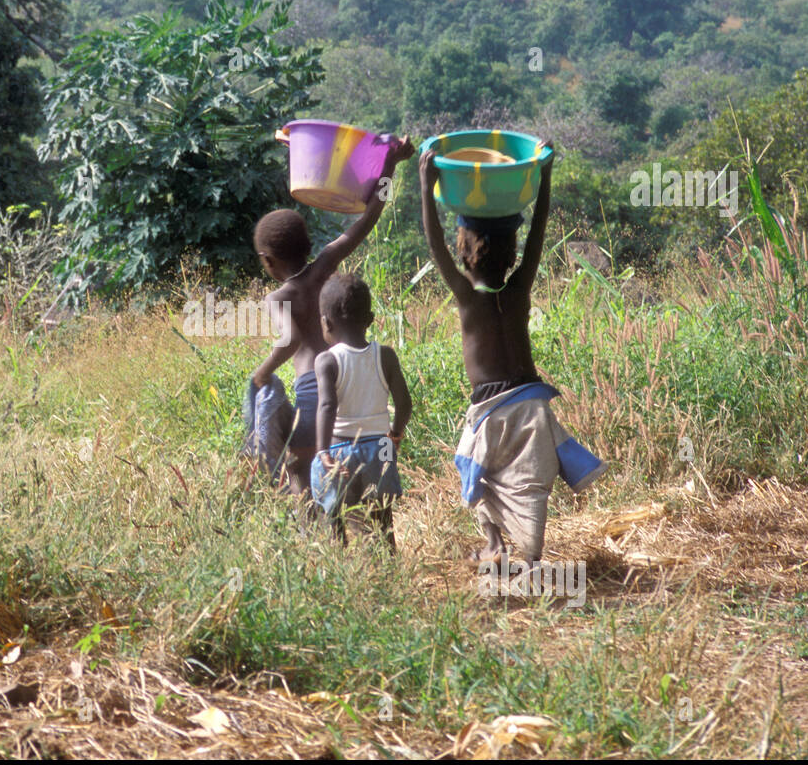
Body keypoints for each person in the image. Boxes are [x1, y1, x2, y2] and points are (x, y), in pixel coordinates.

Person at [418, 146, 607, 565]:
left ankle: (493, 543)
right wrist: (544, 178)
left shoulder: (468, 298)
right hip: (534, 403)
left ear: (465, 254)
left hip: (491, 409)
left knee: (478, 467)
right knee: (528, 482)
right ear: (513, 254)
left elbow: (435, 248)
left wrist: (426, 185)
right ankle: (530, 553)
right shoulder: (520, 288)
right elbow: (539, 234)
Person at [251, 135, 414, 499]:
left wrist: (262, 373)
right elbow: (371, 214)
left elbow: (290, 341)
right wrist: (391, 164)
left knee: (303, 481)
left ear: (268, 260)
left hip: (313, 394)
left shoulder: (278, 297)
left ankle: (320, 549)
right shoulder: (326, 263)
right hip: (352, 392)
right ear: (307, 245)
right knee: (357, 491)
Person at [310, 273, 411, 549]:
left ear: (326, 323)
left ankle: (340, 566)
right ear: (370, 319)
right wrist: (395, 438)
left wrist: (323, 453)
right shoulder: (386, 355)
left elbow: (327, 406)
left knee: (334, 517)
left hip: (339, 451)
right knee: (382, 525)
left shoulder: (327, 360)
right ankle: (388, 572)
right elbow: (404, 405)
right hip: (381, 448)